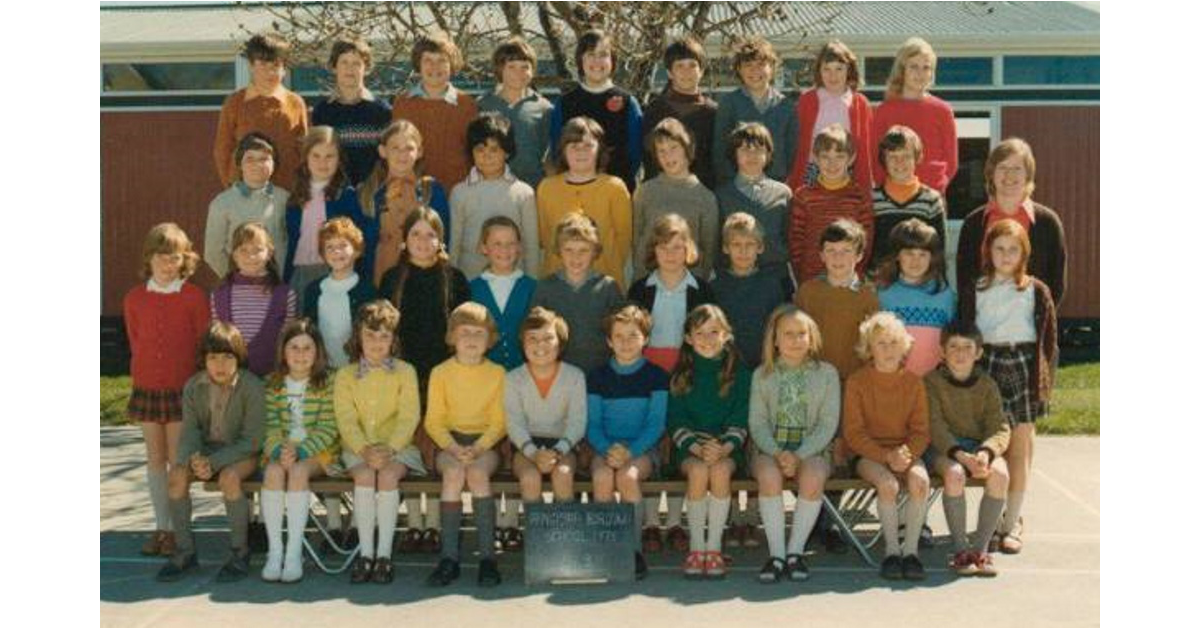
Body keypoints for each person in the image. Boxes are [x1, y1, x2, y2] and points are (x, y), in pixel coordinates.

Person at [958, 219, 1058, 556]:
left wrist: (1042, 382)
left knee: (1019, 448)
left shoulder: (1036, 290)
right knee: (990, 444)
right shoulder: (976, 288)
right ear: (988, 251)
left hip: (1022, 366)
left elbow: (1048, 342)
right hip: (986, 365)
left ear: (1023, 253)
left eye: (1013, 249)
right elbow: (965, 332)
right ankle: (989, 517)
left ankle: (1011, 521)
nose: (1005, 255)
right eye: (999, 248)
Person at [378, 207, 471, 551]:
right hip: (402, 376)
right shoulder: (392, 279)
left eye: (430, 234)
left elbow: (464, 332)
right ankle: (414, 522)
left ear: (440, 240)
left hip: (443, 377)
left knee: (434, 449)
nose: (422, 241)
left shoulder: (455, 279)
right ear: (404, 239)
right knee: (410, 448)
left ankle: (433, 523)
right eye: (415, 234)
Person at [124, 223, 210, 558]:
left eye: (174, 257)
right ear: (149, 258)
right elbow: (136, 340)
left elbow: (202, 345)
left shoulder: (194, 297)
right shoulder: (134, 298)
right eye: (161, 256)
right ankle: (161, 526)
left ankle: (177, 529)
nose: (167, 263)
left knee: (178, 460)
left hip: (181, 391)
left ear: (185, 260)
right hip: (147, 388)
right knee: (155, 459)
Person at [156, 322, 264, 583]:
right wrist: (192, 459)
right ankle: (185, 551)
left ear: (239, 358)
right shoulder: (193, 386)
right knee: (176, 475)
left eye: (227, 357)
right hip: (205, 453)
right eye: (213, 357)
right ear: (204, 360)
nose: (220, 365)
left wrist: (213, 463)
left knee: (229, 478)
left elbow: (253, 440)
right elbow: (190, 431)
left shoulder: (252, 386)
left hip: (243, 453)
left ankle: (240, 551)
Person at [748, 305, 840, 583]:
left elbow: (827, 423)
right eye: (788, 334)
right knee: (768, 475)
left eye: (802, 333)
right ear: (775, 339)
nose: (796, 340)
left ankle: (795, 553)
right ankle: (776, 555)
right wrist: (778, 452)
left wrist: (799, 455)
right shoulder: (762, 374)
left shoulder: (827, 374)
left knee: (813, 476)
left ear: (812, 338)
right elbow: (758, 423)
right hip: (769, 449)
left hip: (813, 449)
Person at [334, 300, 423, 584]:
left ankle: (384, 555)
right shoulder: (345, 375)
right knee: (364, 476)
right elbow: (346, 418)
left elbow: (409, 416)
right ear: (358, 337)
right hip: (358, 449)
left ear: (393, 340)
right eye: (370, 335)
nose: (377, 342)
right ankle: (366, 554)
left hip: (398, 449)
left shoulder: (406, 371)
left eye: (384, 336)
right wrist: (363, 449)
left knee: (386, 477)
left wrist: (390, 448)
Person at [424, 303, 508, 588]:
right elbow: (433, 421)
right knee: (453, 474)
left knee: (477, 474)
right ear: (452, 336)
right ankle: (449, 559)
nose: (472, 338)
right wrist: (452, 447)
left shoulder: (498, 373)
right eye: (464, 332)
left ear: (490, 339)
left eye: (479, 333)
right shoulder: (440, 372)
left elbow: (500, 421)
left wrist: (480, 447)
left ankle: (488, 559)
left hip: (487, 445)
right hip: (449, 443)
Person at [842, 312, 931, 581]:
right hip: (868, 454)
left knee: (920, 481)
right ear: (869, 349)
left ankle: (911, 553)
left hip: (904, 452)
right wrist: (886, 456)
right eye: (881, 343)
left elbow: (921, 431)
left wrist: (906, 455)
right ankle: (892, 552)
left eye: (894, 342)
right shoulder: (857, 382)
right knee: (888, 485)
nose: (888, 349)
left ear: (904, 346)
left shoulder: (914, 382)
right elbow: (854, 434)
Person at [587, 304, 669, 581]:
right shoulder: (597, 377)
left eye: (633, 335)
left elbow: (655, 424)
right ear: (609, 341)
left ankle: (633, 551)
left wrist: (630, 452)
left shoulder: (657, 376)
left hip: (643, 449)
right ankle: (608, 548)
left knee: (627, 477)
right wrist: (608, 450)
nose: (625, 342)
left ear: (645, 339)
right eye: (619, 336)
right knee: (601, 477)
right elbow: (592, 424)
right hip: (605, 447)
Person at [668, 305, 751, 579]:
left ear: (726, 334)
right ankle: (697, 548)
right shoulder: (681, 374)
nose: (707, 339)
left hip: (728, 449)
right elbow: (676, 421)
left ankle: (713, 548)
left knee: (719, 471)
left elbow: (741, 418)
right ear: (688, 338)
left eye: (714, 332)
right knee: (699, 471)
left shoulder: (741, 373)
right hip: (690, 449)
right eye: (699, 333)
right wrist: (697, 448)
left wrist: (723, 448)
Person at [925, 320, 1010, 577]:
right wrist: (961, 456)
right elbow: (935, 426)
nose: (960, 353)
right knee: (955, 474)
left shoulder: (987, 384)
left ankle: (980, 551)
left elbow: (1000, 426)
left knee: (1000, 475)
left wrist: (985, 452)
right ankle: (961, 551)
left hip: (978, 448)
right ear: (942, 351)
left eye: (967, 347)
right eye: (953, 346)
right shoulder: (931, 382)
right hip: (943, 449)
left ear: (978, 353)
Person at [260, 319, 340, 583]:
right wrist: (278, 451)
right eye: (294, 347)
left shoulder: (329, 381)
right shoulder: (272, 383)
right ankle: (275, 552)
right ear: (283, 350)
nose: (300, 354)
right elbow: (269, 426)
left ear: (318, 351)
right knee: (272, 473)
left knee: (297, 472)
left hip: (319, 451)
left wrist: (301, 451)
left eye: (307, 348)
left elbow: (329, 426)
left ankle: (294, 553)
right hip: (282, 450)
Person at [504, 307, 588, 549]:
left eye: (548, 338)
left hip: (563, 446)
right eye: (532, 338)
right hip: (526, 447)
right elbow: (514, 423)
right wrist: (533, 454)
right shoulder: (513, 379)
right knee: (530, 478)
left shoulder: (574, 376)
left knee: (563, 474)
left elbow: (577, 422)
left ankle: (566, 542)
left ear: (560, 343)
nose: (540, 345)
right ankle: (538, 544)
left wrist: (557, 452)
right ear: (523, 344)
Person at [956, 138, 1067, 306]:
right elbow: (964, 281)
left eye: (1017, 168)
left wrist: (1036, 317)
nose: (1009, 175)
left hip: (1029, 320)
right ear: (991, 173)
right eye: (1003, 168)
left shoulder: (1048, 223)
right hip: (984, 318)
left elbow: (1056, 283)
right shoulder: (973, 223)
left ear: (1028, 174)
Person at [537, 116, 633, 288]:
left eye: (588, 146)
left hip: (604, 284)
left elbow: (623, 240)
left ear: (600, 149)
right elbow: (546, 237)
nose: (581, 152)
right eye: (574, 146)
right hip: (558, 284)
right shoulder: (547, 188)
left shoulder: (614, 188)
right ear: (563, 150)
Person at [358, 120, 451, 286]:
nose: (402, 154)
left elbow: (444, 238)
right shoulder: (368, 192)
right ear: (382, 151)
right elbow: (362, 242)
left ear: (419, 151)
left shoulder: (431, 190)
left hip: (423, 275)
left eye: (409, 148)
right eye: (395, 148)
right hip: (381, 272)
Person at [549, 29, 643, 193]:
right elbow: (557, 152)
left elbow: (635, 154)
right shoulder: (565, 103)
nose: (597, 61)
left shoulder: (628, 103)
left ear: (613, 60)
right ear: (580, 59)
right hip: (574, 192)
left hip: (617, 191)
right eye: (591, 54)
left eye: (603, 54)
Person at [449, 113, 540, 279]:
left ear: (507, 152)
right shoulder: (459, 193)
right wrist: (453, 285)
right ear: (471, 153)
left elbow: (531, 247)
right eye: (480, 150)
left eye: (494, 149)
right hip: (471, 281)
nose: (487, 156)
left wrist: (531, 285)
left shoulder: (523, 193)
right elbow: (454, 245)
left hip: (514, 282)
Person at [531, 213, 623, 376]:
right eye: (569, 250)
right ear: (559, 251)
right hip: (558, 373)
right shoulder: (545, 288)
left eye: (583, 250)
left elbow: (620, 332)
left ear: (594, 251)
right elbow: (534, 332)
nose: (576, 257)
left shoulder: (608, 287)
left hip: (601, 372)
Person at [284, 126, 372, 296]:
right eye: (316, 156)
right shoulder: (296, 197)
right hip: (300, 270)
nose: (322, 163)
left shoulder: (346, 196)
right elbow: (291, 239)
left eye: (329, 156)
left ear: (339, 159)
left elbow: (358, 240)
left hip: (335, 270)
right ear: (305, 158)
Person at [214, 32, 307, 192]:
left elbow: (303, 149)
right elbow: (222, 149)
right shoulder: (235, 103)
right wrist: (232, 188)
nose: (269, 72)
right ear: (251, 66)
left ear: (284, 69)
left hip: (287, 192)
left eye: (275, 66)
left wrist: (300, 189)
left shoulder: (295, 103)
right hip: (246, 192)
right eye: (263, 65)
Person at [787, 123, 874, 285]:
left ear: (851, 159)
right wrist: (804, 278)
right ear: (815, 158)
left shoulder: (860, 197)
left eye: (839, 157)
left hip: (849, 281)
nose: (832, 164)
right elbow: (795, 243)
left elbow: (866, 244)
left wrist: (853, 275)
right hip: (811, 279)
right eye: (825, 157)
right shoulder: (803, 196)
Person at [627, 214, 715, 373]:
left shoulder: (703, 291)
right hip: (647, 369)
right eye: (663, 247)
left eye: (677, 247)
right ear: (654, 250)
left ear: (688, 249)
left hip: (689, 369)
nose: (670, 254)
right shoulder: (638, 290)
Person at [633, 117, 719, 280]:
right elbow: (637, 240)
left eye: (673, 148)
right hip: (648, 282)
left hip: (689, 283)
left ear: (687, 148)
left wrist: (698, 282)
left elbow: (708, 250)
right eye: (661, 151)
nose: (668, 156)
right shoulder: (645, 192)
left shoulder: (706, 197)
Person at [871, 37, 957, 197]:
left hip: (931, 194)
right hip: (893, 194)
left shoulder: (943, 110)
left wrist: (936, 187)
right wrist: (886, 191)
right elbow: (875, 158)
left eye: (926, 67)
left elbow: (951, 162)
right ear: (902, 70)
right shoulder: (884, 110)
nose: (920, 73)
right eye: (914, 66)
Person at [795, 219, 879, 382]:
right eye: (831, 250)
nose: (837, 257)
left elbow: (873, 345)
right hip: (813, 379)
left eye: (846, 251)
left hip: (854, 381)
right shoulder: (807, 292)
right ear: (822, 255)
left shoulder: (869, 296)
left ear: (859, 256)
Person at [210, 221, 297, 377]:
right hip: (230, 380)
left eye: (257, 250)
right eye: (243, 250)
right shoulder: (219, 295)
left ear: (269, 253)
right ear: (234, 255)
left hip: (271, 378)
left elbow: (288, 340)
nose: (250, 256)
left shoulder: (285, 294)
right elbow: (217, 341)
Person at [391, 33, 478, 188]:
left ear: (451, 64)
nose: (434, 67)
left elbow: (475, 155)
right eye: (428, 60)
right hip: (414, 191)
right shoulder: (402, 104)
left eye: (441, 60)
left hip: (459, 191)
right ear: (419, 64)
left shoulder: (467, 105)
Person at [786, 39, 873, 192]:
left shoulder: (860, 104)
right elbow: (794, 143)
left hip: (847, 174)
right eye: (827, 69)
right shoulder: (807, 101)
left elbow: (866, 150)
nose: (833, 75)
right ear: (819, 71)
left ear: (849, 70)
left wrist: (865, 185)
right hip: (812, 172)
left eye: (839, 69)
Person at [714, 122, 794, 282]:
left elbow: (789, 238)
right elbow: (716, 245)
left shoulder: (783, 193)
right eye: (745, 149)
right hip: (734, 278)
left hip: (776, 277)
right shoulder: (721, 195)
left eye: (758, 149)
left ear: (768, 154)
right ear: (734, 154)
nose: (752, 155)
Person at [710, 213, 792, 369]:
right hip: (727, 367)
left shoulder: (772, 286)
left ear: (760, 247)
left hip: (765, 366)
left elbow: (779, 328)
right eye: (736, 245)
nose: (743, 251)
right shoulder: (716, 287)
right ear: (725, 248)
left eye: (750, 244)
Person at [712, 36, 797, 184]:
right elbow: (720, 151)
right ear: (739, 69)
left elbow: (791, 152)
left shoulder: (786, 106)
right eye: (748, 65)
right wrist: (730, 185)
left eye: (761, 64)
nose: (755, 70)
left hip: (775, 186)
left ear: (772, 68)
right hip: (737, 185)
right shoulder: (729, 104)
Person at [876, 219, 955, 377]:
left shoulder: (945, 294)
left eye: (922, 254)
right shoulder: (882, 293)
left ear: (932, 258)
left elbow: (952, 339)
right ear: (897, 255)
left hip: (935, 379)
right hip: (895, 378)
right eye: (909, 253)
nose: (915, 260)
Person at [205, 133, 289, 277]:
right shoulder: (222, 203)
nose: (257, 164)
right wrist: (237, 279)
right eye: (250, 159)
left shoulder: (285, 199)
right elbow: (213, 252)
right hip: (240, 284)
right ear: (240, 164)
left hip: (278, 283)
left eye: (264, 159)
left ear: (274, 163)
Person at [475, 36, 554, 187]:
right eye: (511, 67)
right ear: (500, 69)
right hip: (490, 187)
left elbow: (550, 153)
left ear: (533, 71)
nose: (519, 73)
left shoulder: (544, 108)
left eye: (525, 67)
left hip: (532, 187)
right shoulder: (482, 105)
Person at [311, 38, 392, 186]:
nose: (350, 69)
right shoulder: (321, 112)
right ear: (334, 67)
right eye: (344, 62)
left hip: (372, 192)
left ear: (366, 68)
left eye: (356, 63)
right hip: (333, 191)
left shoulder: (383, 111)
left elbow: (389, 159)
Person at [641, 37, 718, 189]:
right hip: (661, 192)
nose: (686, 71)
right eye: (679, 66)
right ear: (670, 73)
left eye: (692, 65)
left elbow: (717, 161)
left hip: (702, 193)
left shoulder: (713, 112)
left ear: (702, 71)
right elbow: (648, 158)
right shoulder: (655, 110)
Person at [868, 125, 947, 273]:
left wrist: (937, 282)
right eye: (893, 157)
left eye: (906, 156)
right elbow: (866, 248)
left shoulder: (931, 200)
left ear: (917, 158)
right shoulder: (872, 199)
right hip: (880, 281)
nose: (899, 162)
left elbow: (938, 250)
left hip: (919, 281)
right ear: (883, 160)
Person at [302, 217, 376, 369]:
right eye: (329, 247)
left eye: (343, 245)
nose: (336, 251)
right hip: (323, 370)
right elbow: (307, 332)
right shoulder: (313, 290)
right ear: (323, 254)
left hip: (356, 370)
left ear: (356, 250)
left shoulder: (368, 290)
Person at [469, 216, 537, 370]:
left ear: (519, 247)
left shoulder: (533, 288)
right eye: (497, 244)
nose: (504, 249)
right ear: (484, 248)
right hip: (483, 373)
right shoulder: (471, 289)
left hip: (525, 373)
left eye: (510, 243)